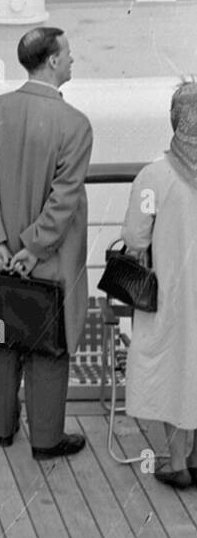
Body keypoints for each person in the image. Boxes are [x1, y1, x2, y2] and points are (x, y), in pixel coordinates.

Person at [0, 26, 93, 460]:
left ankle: (4, 431)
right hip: (50, 259)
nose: (73, 60)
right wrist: (33, 248)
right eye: (69, 54)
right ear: (54, 61)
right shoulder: (75, 125)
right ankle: (45, 439)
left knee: (2, 343)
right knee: (49, 348)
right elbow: (64, 198)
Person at [119, 81, 197, 488]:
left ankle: (178, 462)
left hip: (172, 294)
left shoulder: (156, 176)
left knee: (176, 367)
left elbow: (135, 238)